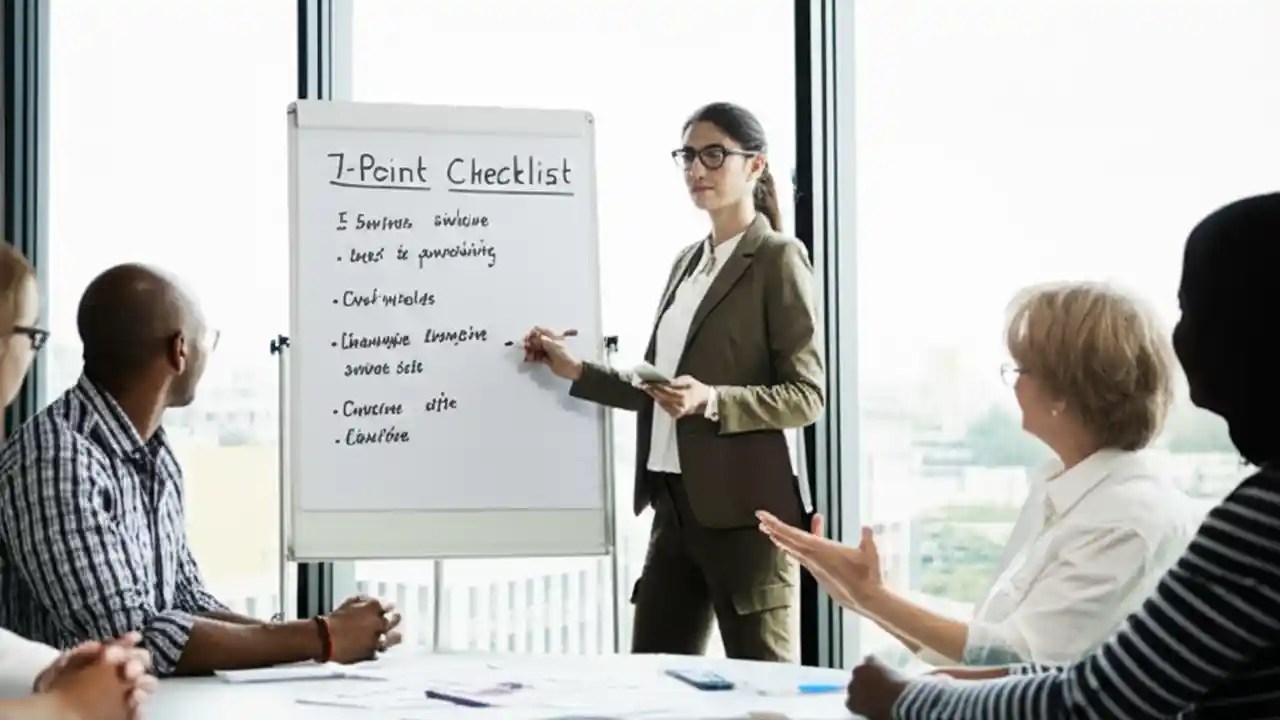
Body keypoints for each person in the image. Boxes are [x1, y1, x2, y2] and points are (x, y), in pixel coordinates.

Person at [846, 192, 1280, 719]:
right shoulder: (1059, 486)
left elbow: (1095, 699)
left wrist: (908, 698)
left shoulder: (1256, 518)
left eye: (1193, 310)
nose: (1182, 340)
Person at [760, 281, 1202, 667]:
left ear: (1065, 393)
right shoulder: (1061, 487)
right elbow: (981, 648)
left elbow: (1018, 659)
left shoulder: (1128, 516)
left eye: (1022, 369)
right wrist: (864, 597)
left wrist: (874, 597)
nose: (1012, 383)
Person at [523, 102, 824, 661]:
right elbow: (658, 391)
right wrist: (574, 369)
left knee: (762, 696)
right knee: (653, 681)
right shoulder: (688, 262)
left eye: (714, 155)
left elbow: (807, 396)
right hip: (673, 507)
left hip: (744, 519)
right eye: (687, 156)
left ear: (755, 166)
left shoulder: (778, 259)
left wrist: (713, 400)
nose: (697, 169)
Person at [0, 262, 404, 679]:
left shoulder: (155, 454)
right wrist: (322, 636)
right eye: (207, 339)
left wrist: (321, 637)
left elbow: (187, 601)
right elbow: (134, 639)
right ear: (180, 350)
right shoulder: (56, 460)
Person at [0, 244, 155, 719]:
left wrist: (49, 671)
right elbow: (124, 622)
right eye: (31, 334)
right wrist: (67, 707)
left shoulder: (156, 457)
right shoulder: (55, 453)